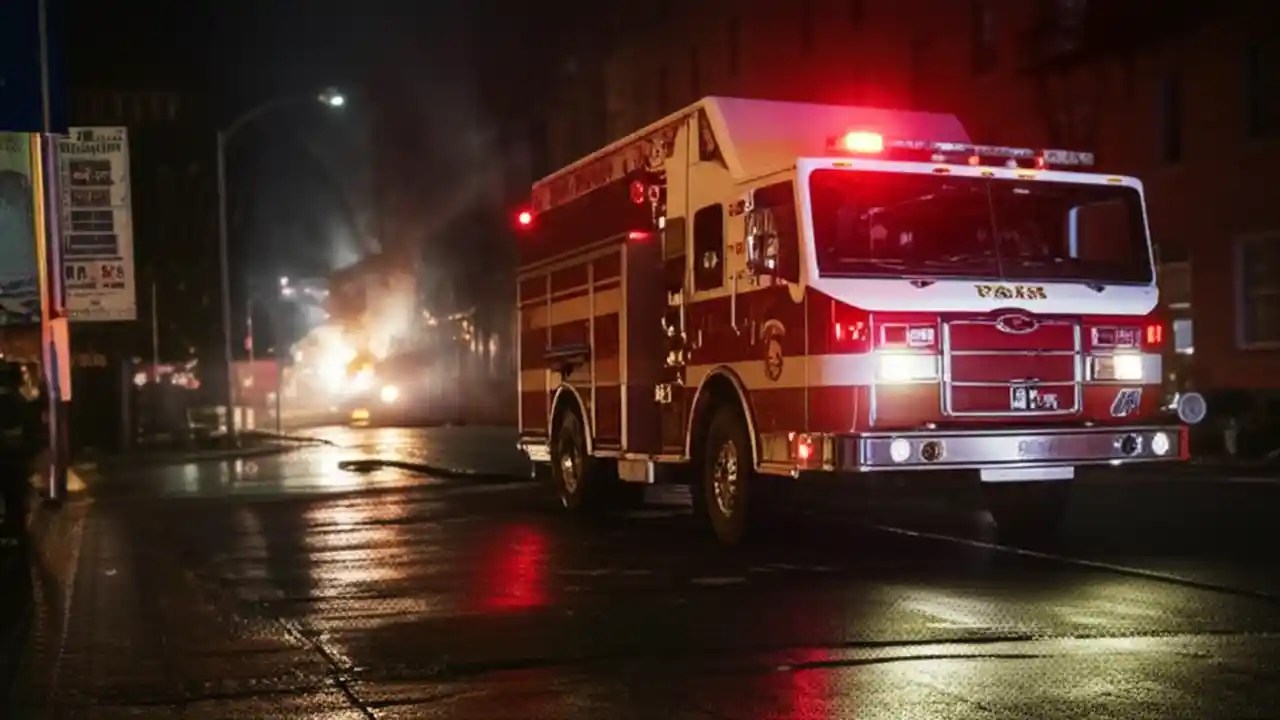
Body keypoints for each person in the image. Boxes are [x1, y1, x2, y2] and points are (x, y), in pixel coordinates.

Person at [0, 362, 44, 545]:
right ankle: (17, 531)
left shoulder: (12, 401)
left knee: (10, 497)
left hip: (7, 458)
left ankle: (12, 530)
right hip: (17, 459)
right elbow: (31, 432)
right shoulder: (20, 402)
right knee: (16, 498)